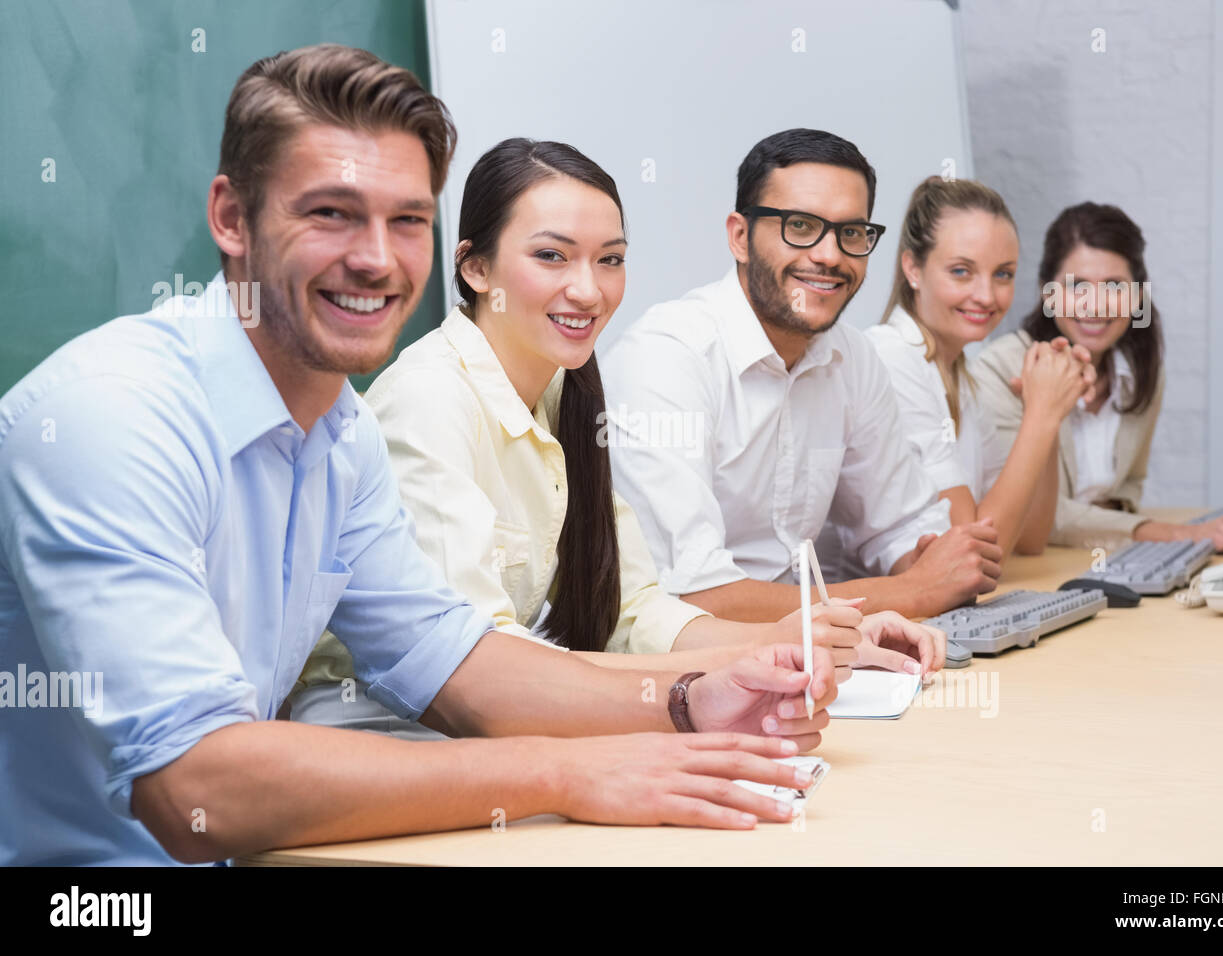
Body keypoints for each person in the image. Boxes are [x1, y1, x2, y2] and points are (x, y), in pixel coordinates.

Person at [0, 45, 846, 867]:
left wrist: (689, 702)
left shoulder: (341, 430)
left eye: (406, 220)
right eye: (330, 212)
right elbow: (199, 792)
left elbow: (456, 661)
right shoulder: (112, 415)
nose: (375, 258)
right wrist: (568, 772)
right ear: (231, 218)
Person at [293, 137, 929, 733]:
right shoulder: (431, 399)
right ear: (476, 268)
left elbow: (634, 610)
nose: (588, 289)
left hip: (506, 730)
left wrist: (797, 639)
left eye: (611, 260)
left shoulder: (566, 392)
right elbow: (478, 670)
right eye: (552, 256)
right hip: (388, 738)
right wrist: (706, 687)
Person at [602, 128, 1003, 631]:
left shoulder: (852, 357)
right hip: (685, 671)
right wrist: (911, 591)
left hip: (812, 655)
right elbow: (693, 596)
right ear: (739, 237)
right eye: (800, 226)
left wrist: (930, 559)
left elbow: (897, 525)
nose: (830, 256)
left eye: (851, 233)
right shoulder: (665, 356)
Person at [970, 201, 1223, 556]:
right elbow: (1038, 516)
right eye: (1077, 286)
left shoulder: (1141, 373)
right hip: (1032, 566)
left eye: (1114, 286)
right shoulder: (1002, 371)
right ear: (1049, 294)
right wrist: (1181, 534)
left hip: (1102, 554)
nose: (1095, 305)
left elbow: (1127, 490)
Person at [867, 177, 1096, 557]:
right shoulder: (891, 359)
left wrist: (1048, 412)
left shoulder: (962, 380)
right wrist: (1041, 414)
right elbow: (972, 552)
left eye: (1002, 274)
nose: (987, 296)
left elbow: (1030, 538)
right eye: (961, 271)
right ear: (913, 269)